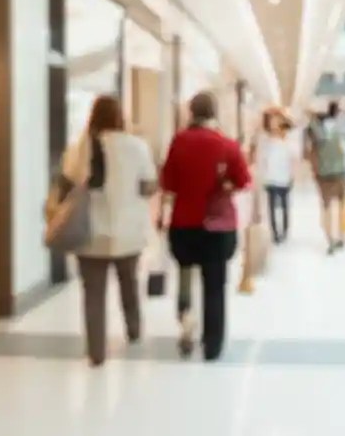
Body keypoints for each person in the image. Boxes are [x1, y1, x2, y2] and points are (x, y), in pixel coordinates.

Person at [60, 95, 158, 367]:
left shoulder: (80, 148)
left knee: (93, 293)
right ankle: (134, 330)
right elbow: (149, 186)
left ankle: (96, 351)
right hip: (128, 232)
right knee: (129, 284)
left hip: (90, 232)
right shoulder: (137, 146)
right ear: (119, 117)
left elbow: (67, 184)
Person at [161, 91, 251, 361]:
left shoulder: (179, 142)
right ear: (215, 113)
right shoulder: (227, 145)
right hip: (218, 228)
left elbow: (168, 183)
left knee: (185, 274)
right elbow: (244, 180)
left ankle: (187, 324)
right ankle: (213, 345)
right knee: (215, 286)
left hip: (184, 225)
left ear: (191, 112)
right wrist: (226, 185)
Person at [305, 101, 345, 255]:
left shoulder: (313, 130)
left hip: (323, 174)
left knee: (327, 207)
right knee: (341, 204)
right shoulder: (339, 129)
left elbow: (309, 153)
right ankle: (342, 235)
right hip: (339, 172)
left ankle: (330, 239)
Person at [251, 108, 294, 243]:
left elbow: (291, 158)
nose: (274, 124)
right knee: (271, 207)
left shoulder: (287, 138)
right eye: (272, 121)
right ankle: (275, 233)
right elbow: (261, 157)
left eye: (277, 121)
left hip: (284, 176)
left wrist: (292, 174)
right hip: (270, 177)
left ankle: (285, 230)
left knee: (285, 206)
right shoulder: (265, 139)